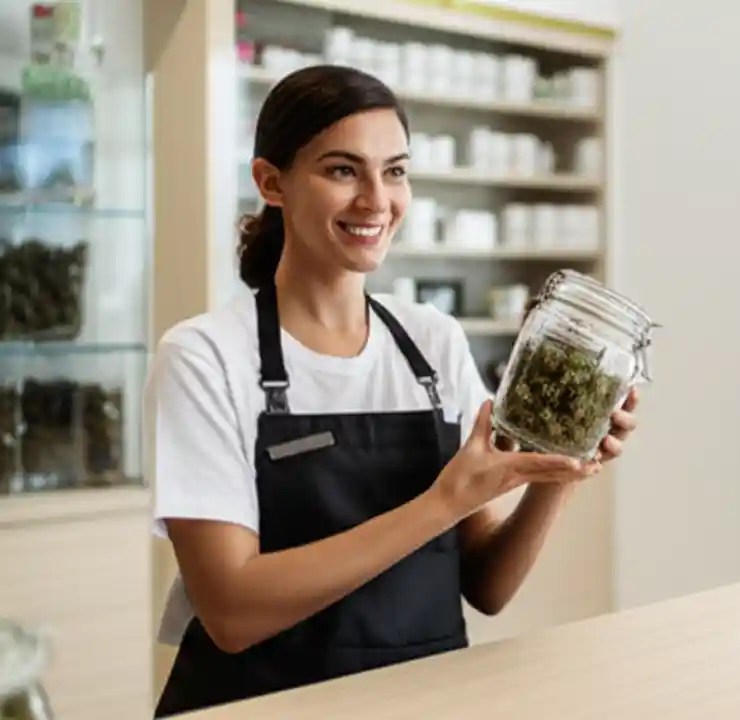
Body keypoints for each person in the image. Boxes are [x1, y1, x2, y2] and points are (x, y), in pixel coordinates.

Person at [146, 65, 639, 718]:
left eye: (396, 170)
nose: (377, 200)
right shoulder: (205, 357)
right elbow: (232, 611)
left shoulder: (431, 342)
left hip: (418, 701)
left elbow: (487, 585)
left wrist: (563, 466)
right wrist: (441, 503)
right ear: (271, 182)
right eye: (343, 170)